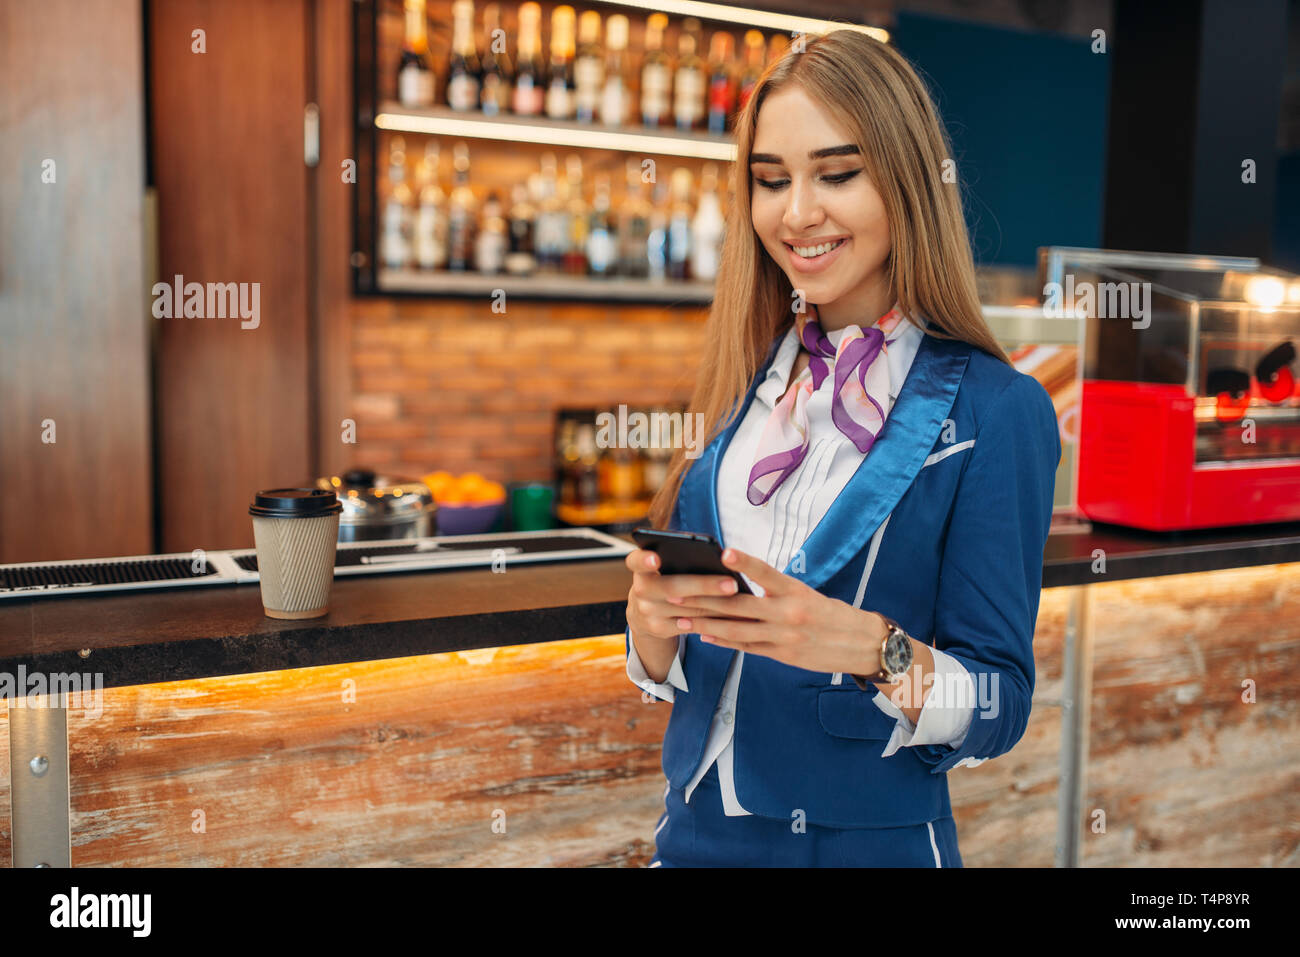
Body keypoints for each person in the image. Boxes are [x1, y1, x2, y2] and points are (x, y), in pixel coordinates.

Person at [622, 29, 1061, 867]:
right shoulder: (739, 384)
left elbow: (1001, 703)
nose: (796, 213)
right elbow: (687, 653)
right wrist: (651, 629)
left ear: (905, 183)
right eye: (771, 181)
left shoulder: (996, 412)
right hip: (691, 840)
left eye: (837, 174)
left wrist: (869, 648)